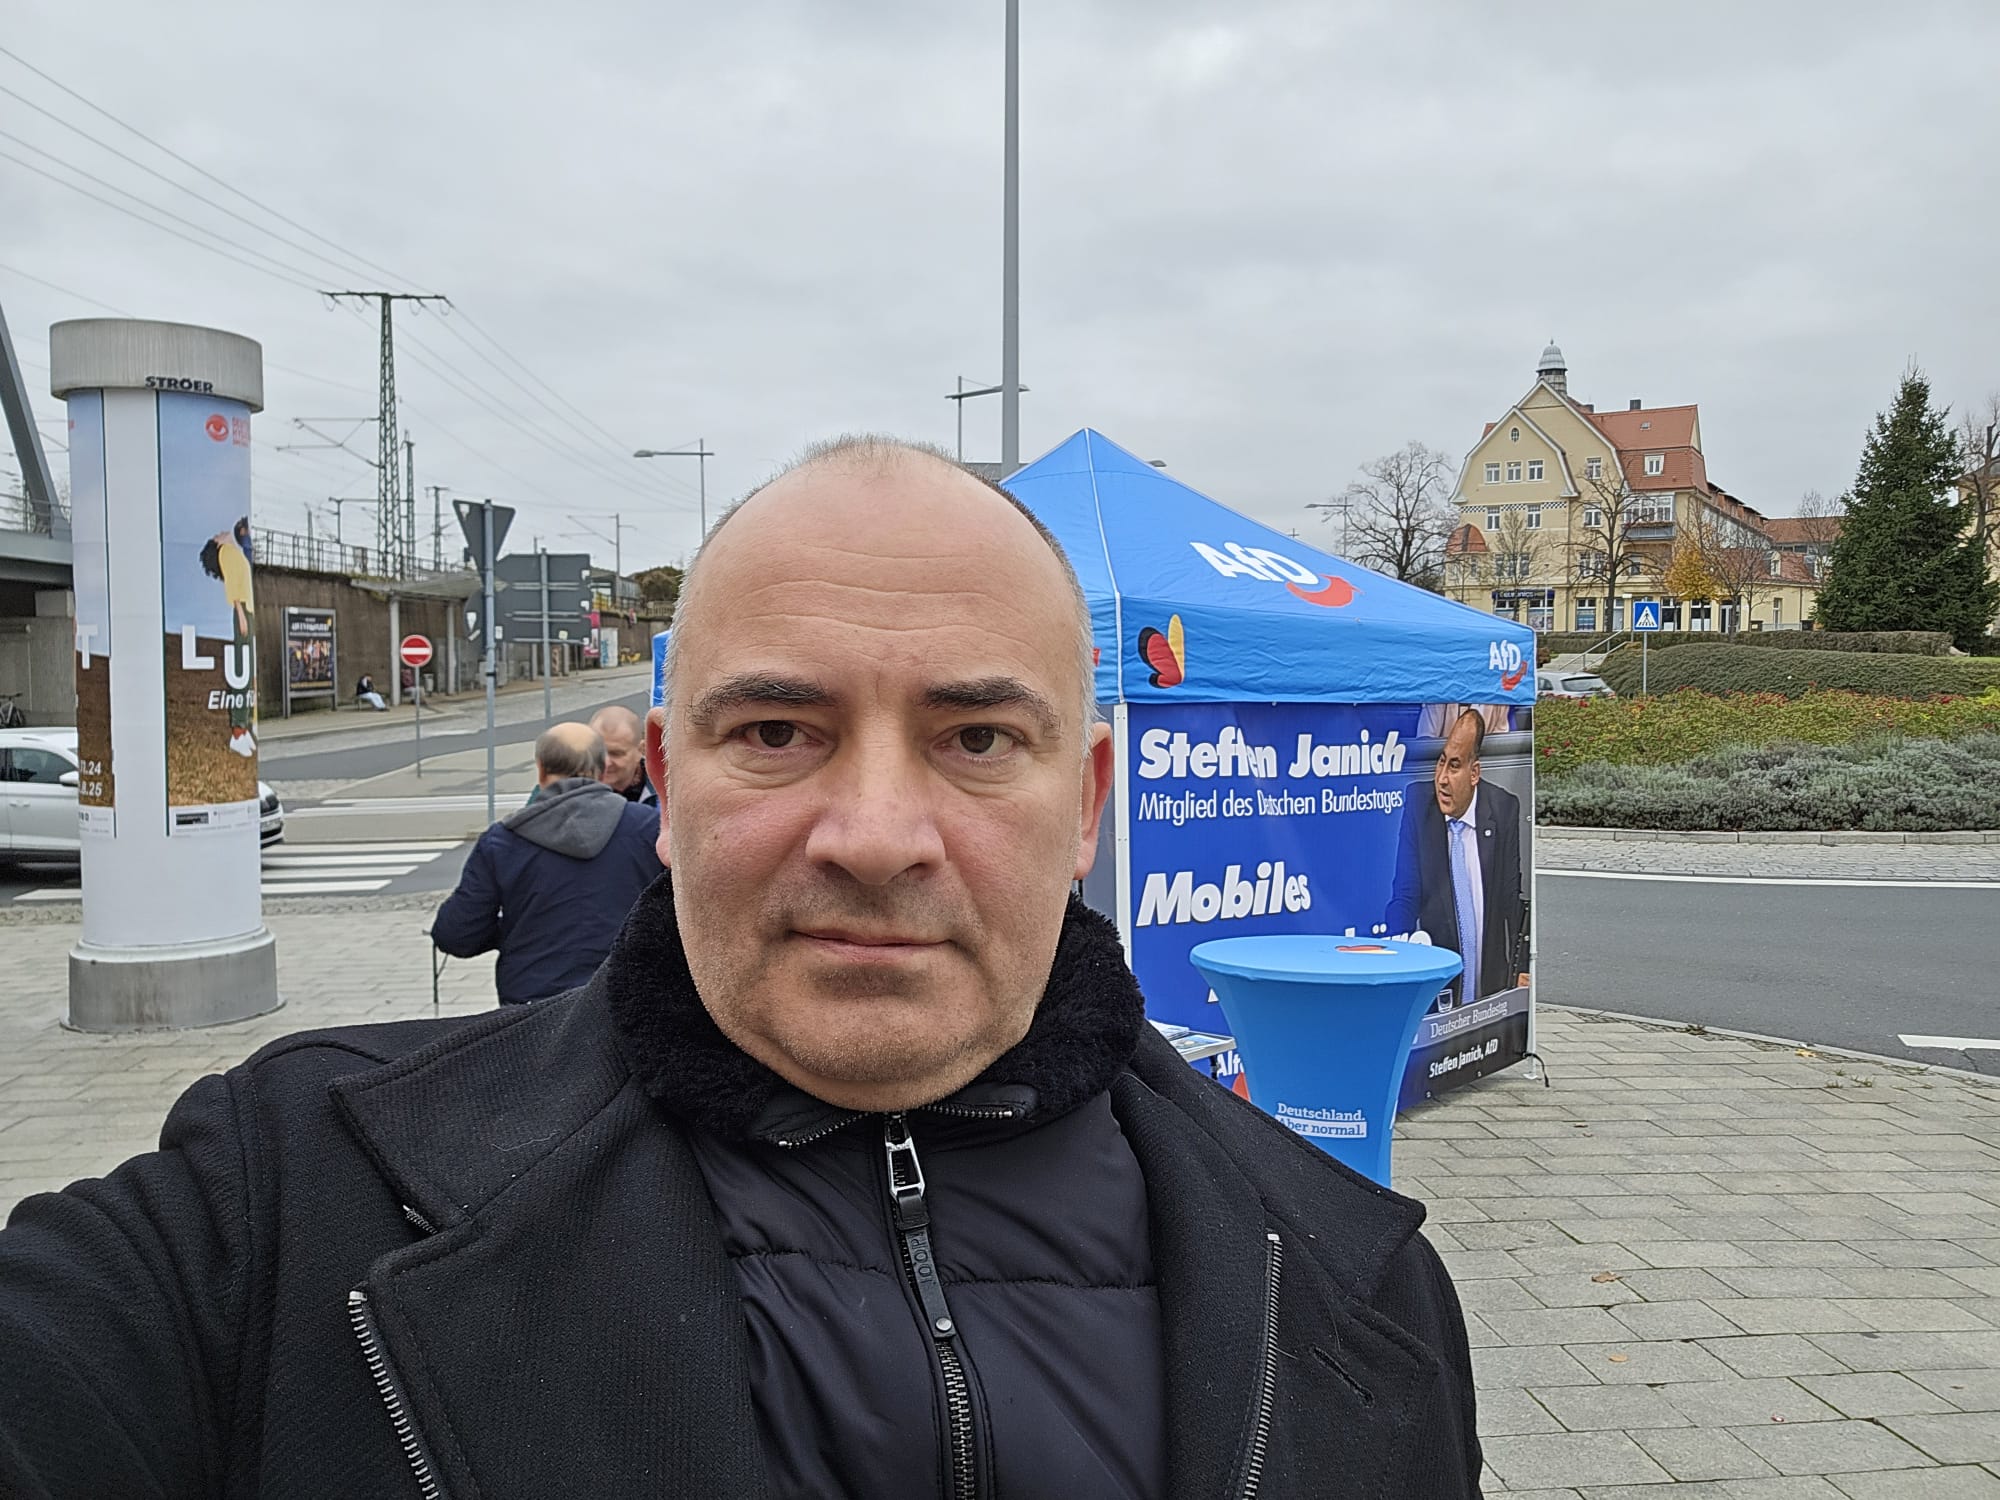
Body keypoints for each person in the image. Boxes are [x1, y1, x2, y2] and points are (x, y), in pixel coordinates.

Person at [0, 437, 1481, 1497]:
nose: (879, 835)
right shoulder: (283, 1203)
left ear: (1086, 803)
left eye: (976, 739)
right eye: (777, 731)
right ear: (666, 786)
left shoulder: (1364, 1287)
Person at [431, 721, 662, 1005]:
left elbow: (455, 935)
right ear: (602, 769)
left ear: (540, 769)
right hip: (625, 1000)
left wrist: (516, 928)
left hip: (530, 1008)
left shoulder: (504, 841)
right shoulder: (649, 828)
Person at [1386, 707, 1526, 1003]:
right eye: (1441, 763)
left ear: (1474, 773)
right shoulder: (1418, 805)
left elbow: (1511, 900)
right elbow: (1405, 895)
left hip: (1490, 982)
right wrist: (1396, 950)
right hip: (1440, 984)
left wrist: (1522, 968)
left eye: (1455, 766)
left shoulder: (1503, 808)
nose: (1442, 779)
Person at [198, 524, 256, 757]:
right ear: (217, 544)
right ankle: (237, 732)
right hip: (244, 612)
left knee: (246, 672)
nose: (218, 532)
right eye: (215, 536)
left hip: (247, 611)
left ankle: (243, 729)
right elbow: (234, 584)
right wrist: (240, 613)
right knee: (241, 671)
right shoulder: (227, 553)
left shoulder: (235, 551)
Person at [589, 702, 655, 803]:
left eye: (616, 754)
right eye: (598, 752)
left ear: (641, 750)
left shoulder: (666, 791)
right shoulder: (570, 792)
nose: (606, 762)